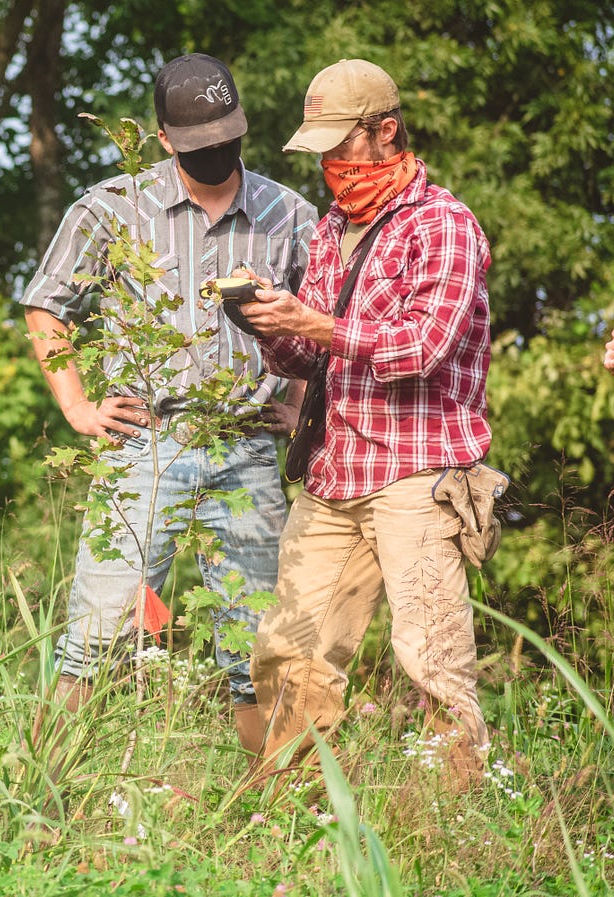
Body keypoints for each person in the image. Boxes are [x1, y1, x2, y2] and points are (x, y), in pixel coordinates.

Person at [19, 52, 317, 757]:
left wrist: (302, 408)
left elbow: (317, 323)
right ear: (162, 141)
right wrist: (79, 408)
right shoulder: (112, 207)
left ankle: (271, 814)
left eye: (227, 136)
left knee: (254, 649)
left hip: (246, 447)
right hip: (143, 444)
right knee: (97, 638)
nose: (216, 152)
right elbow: (45, 303)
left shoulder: (289, 214)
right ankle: (42, 805)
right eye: (198, 143)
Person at [239, 58, 494, 782]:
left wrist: (317, 323)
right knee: (288, 649)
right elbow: (305, 358)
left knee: (432, 661)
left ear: (385, 131)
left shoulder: (442, 224)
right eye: (317, 149)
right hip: (335, 471)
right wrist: (265, 321)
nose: (327, 163)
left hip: (417, 472)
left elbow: (424, 346)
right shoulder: (331, 231)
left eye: (337, 144)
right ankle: (294, 809)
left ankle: (456, 820)